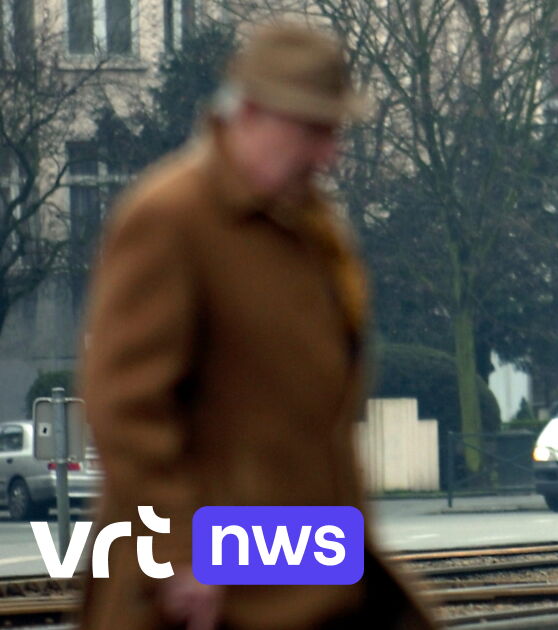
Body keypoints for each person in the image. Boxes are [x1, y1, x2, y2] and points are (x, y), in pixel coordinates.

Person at [79, 24, 436, 630]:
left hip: (298, 569)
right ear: (248, 114)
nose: (328, 154)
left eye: (334, 132)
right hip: (209, 591)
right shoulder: (170, 217)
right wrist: (177, 553)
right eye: (311, 131)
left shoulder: (310, 229)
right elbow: (126, 407)